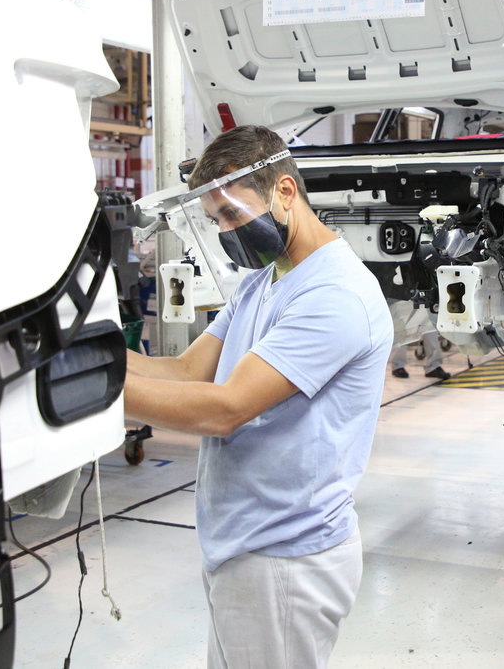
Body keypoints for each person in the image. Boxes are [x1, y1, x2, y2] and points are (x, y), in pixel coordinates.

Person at [124, 125, 392, 668]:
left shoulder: (335, 295)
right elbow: (186, 371)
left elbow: (226, 408)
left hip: (286, 556)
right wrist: (84, 356)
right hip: (243, 542)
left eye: (229, 214)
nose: (225, 231)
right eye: (215, 221)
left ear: (284, 193)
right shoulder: (262, 281)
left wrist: (98, 391)